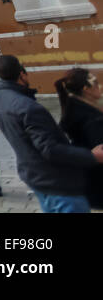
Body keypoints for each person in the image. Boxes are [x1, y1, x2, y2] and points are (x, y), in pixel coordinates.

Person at [0, 54, 103, 213]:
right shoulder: (29, 107)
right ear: (22, 75)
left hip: (37, 177)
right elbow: (50, 149)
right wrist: (92, 156)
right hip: (57, 183)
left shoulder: (1, 100)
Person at [57, 67, 103, 209]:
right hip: (98, 179)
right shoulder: (91, 117)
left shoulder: (71, 108)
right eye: (95, 83)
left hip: (86, 176)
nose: (100, 86)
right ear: (86, 89)